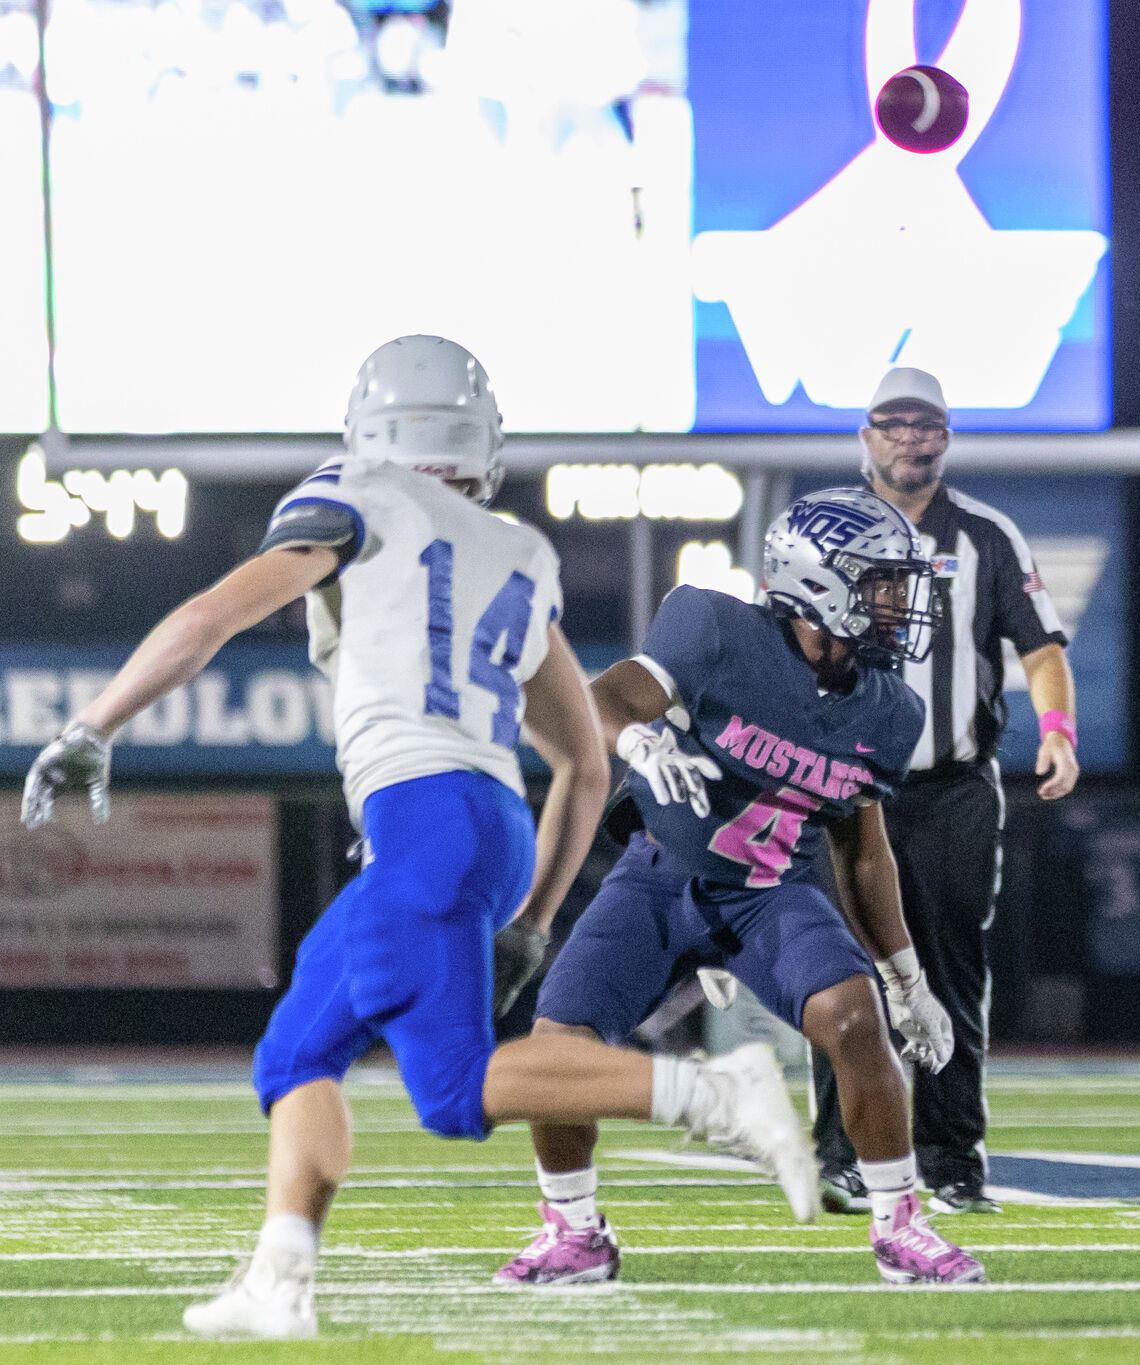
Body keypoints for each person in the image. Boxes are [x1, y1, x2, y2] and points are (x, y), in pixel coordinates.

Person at [18, 336, 812, 1340]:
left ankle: (718, 1093)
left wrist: (95, 725)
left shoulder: (350, 495)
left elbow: (214, 616)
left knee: (451, 1090)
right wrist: (531, 919)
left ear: (370, 427)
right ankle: (279, 1280)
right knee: (295, 1053)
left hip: (422, 816)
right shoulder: (516, 550)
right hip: (488, 824)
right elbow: (583, 763)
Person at [494, 485, 986, 1287]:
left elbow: (863, 852)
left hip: (770, 893)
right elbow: (605, 698)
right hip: (660, 881)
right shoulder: (714, 626)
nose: (901, 604)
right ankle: (574, 1231)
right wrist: (643, 741)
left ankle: (902, 1226)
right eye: (883, 583)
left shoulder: (889, 708)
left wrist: (906, 978)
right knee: (558, 1044)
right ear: (820, 581)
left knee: (855, 1017)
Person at [808, 367, 1079, 1218]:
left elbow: (1040, 646)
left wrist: (1059, 730)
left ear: (946, 436)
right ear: (866, 434)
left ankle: (953, 1159)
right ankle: (846, 1154)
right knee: (843, 972)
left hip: (954, 789)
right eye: (894, 423)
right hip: (849, 790)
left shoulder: (986, 535)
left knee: (952, 972)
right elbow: (779, 648)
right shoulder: (824, 530)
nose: (909, 438)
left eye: (924, 424)